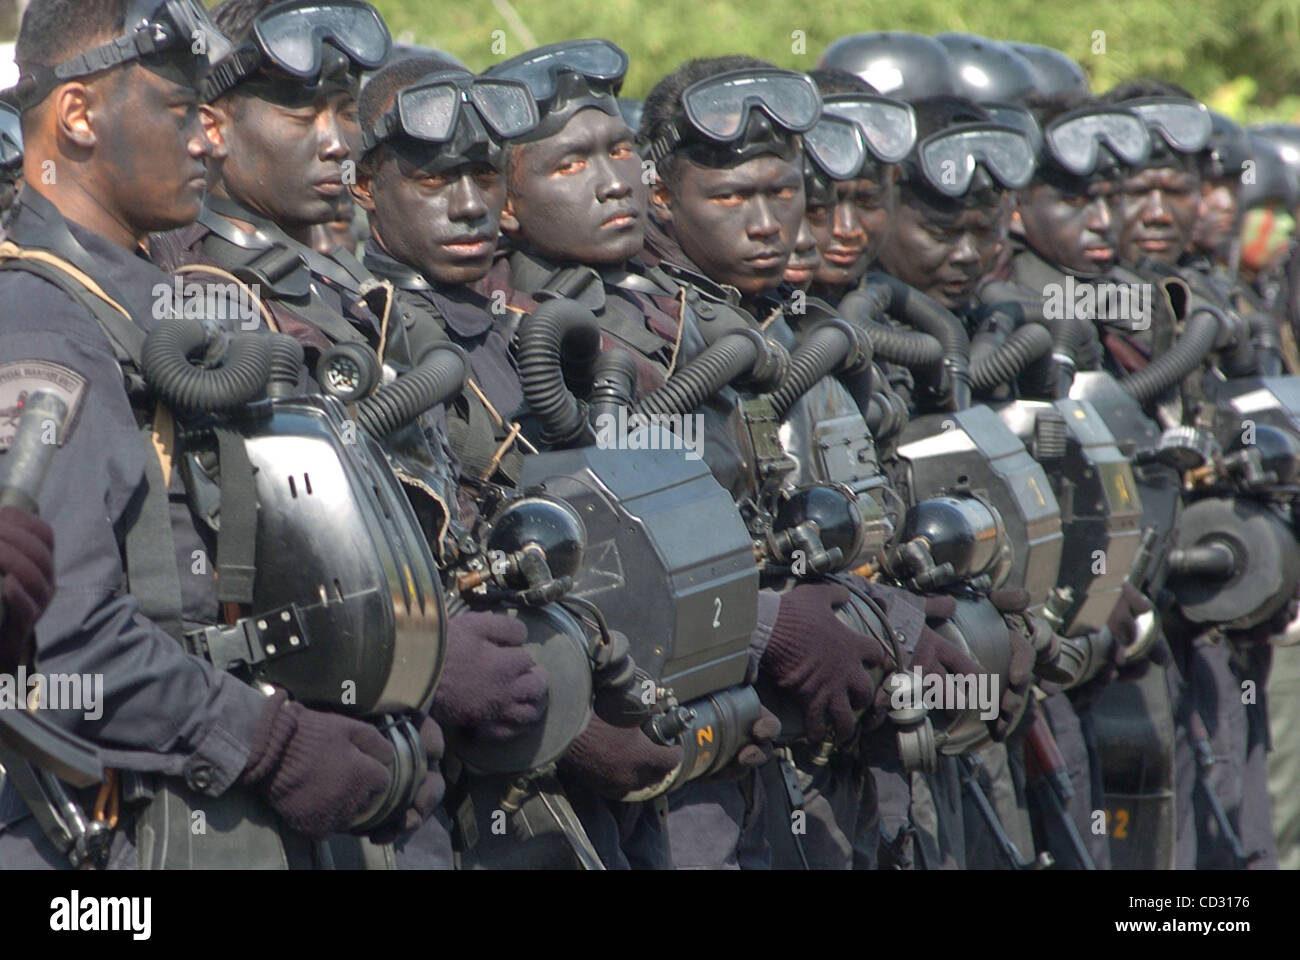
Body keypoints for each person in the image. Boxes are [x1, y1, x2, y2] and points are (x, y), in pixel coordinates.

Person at [0, 0, 413, 870]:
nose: (209, 142)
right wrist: (269, 742)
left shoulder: (141, 299)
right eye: (180, 111)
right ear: (77, 116)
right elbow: (60, 641)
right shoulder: (38, 322)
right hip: (119, 838)